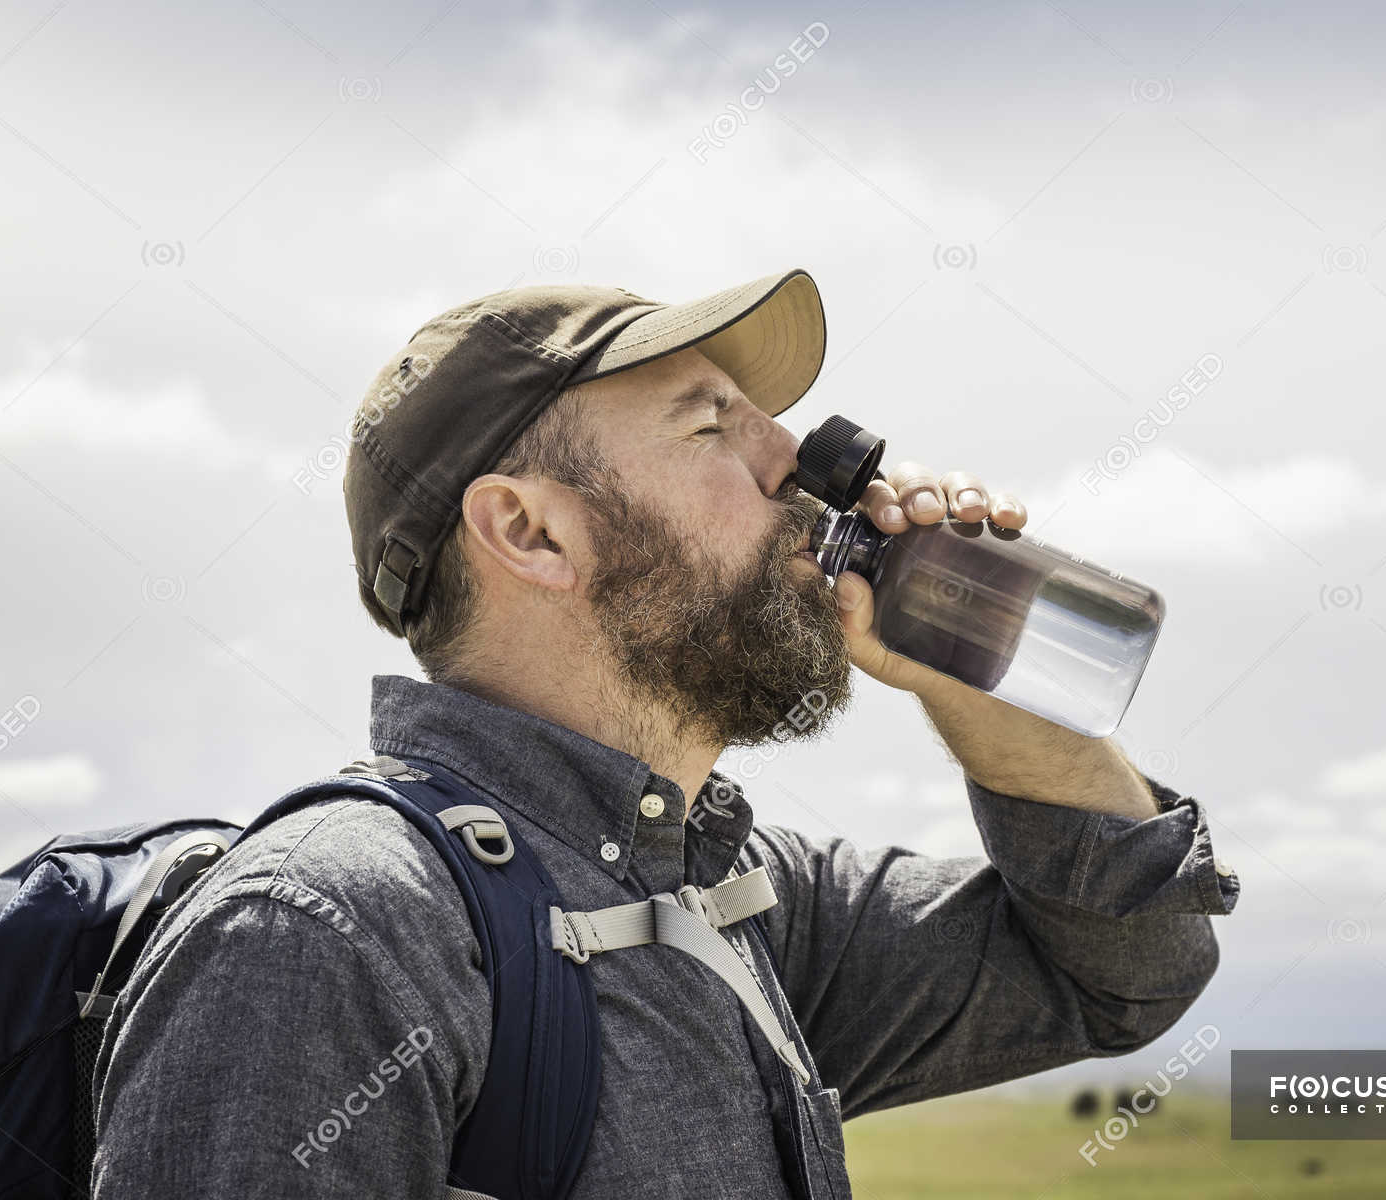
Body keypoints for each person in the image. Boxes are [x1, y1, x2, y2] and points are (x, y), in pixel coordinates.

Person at [90, 268, 1238, 1199]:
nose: (796, 457)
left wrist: (980, 670)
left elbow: (1123, 973)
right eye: (709, 423)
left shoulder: (736, 902)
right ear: (531, 532)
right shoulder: (329, 933)